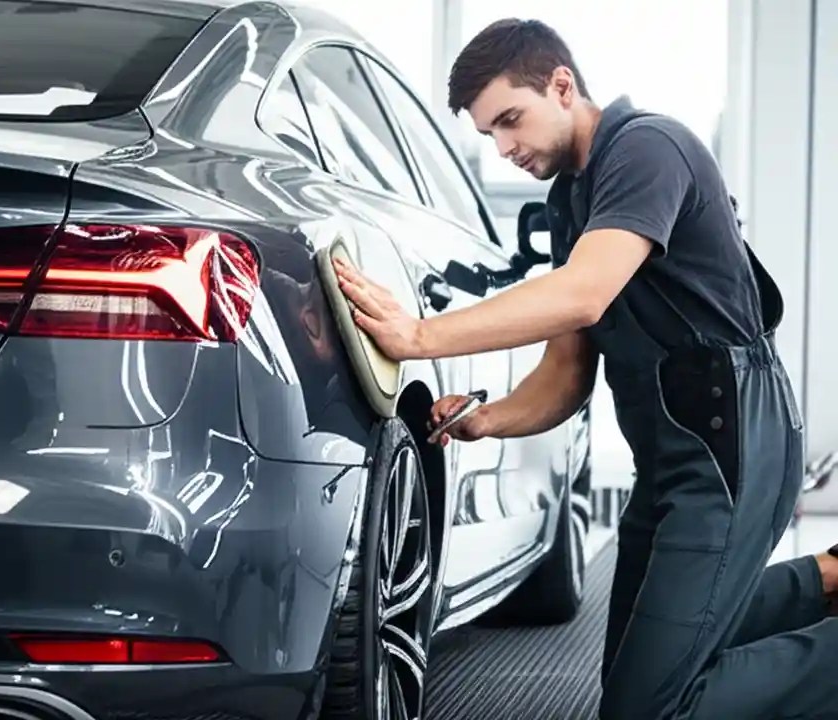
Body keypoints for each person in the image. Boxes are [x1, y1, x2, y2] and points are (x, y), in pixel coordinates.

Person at [332, 17, 838, 720]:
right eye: (489, 135)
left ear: (562, 85)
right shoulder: (570, 202)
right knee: (634, 672)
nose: (504, 147)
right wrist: (489, 420)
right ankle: (827, 578)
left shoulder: (648, 149)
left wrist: (418, 335)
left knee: (651, 708)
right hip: (671, 463)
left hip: (735, 446)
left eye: (511, 120)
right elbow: (566, 373)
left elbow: (583, 292)